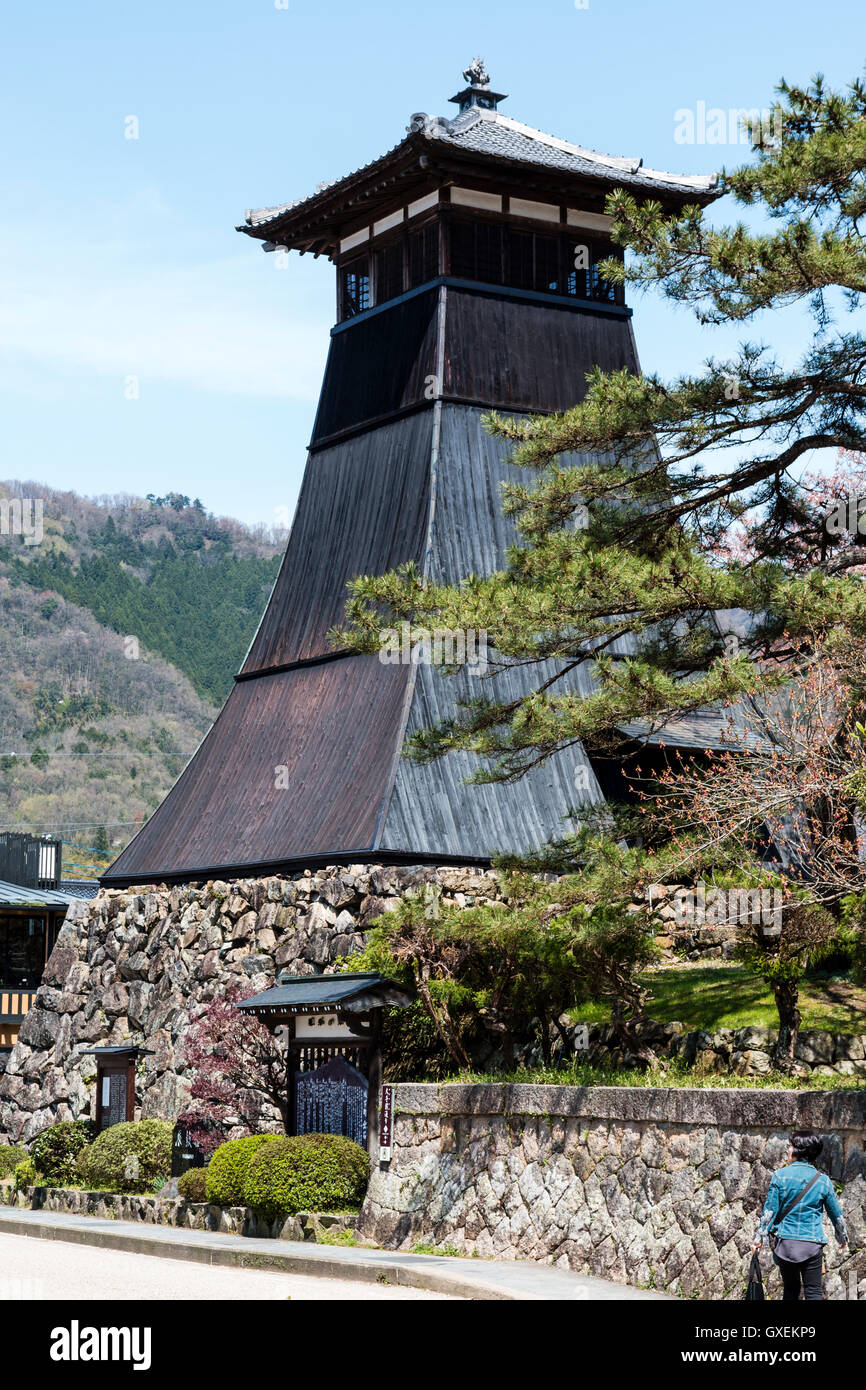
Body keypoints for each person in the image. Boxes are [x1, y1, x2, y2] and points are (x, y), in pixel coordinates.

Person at [751, 1130, 849, 1301]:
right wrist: (842, 1238)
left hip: (786, 1244)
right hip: (812, 1244)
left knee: (790, 1290)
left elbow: (769, 1212)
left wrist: (759, 1239)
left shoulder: (780, 1176)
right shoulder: (823, 1180)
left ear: (800, 1150)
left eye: (790, 1146)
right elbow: (836, 1215)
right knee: (813, 1292)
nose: (787, 1150)